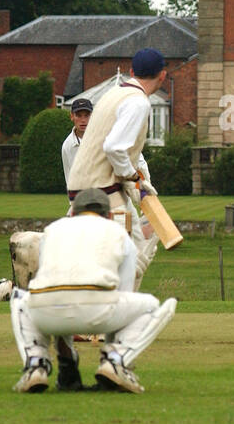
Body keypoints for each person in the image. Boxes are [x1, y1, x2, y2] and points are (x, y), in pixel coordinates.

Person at [11, 189, 177, 395]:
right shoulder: (118, 234)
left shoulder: (52, 231)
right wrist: (110, 348)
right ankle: (115, 360)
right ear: (108, 215)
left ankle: (37, 363)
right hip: (98, 309)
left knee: (19, 299)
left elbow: (50, 282)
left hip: (45, 313)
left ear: (73, 213)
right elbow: (123, 292)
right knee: (151, 305)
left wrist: (66, 354)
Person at [66, 49, 165, 290]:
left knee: (137, 250)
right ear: (162, 76)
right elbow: (114, 147)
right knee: (126, 261)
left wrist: (135, 182)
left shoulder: (113, 94)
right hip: (102, 191)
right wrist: (132, 176)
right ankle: (103, 320)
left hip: (87, 189)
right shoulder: (138, 102)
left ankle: (109, 318)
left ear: (131, 72)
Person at [61, 97, 94, 185]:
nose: (83, 120)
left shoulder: (103, 138)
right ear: (72, 116)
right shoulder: (67, 146)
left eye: (86, 115)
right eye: (79, 115)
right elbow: (69, 178)